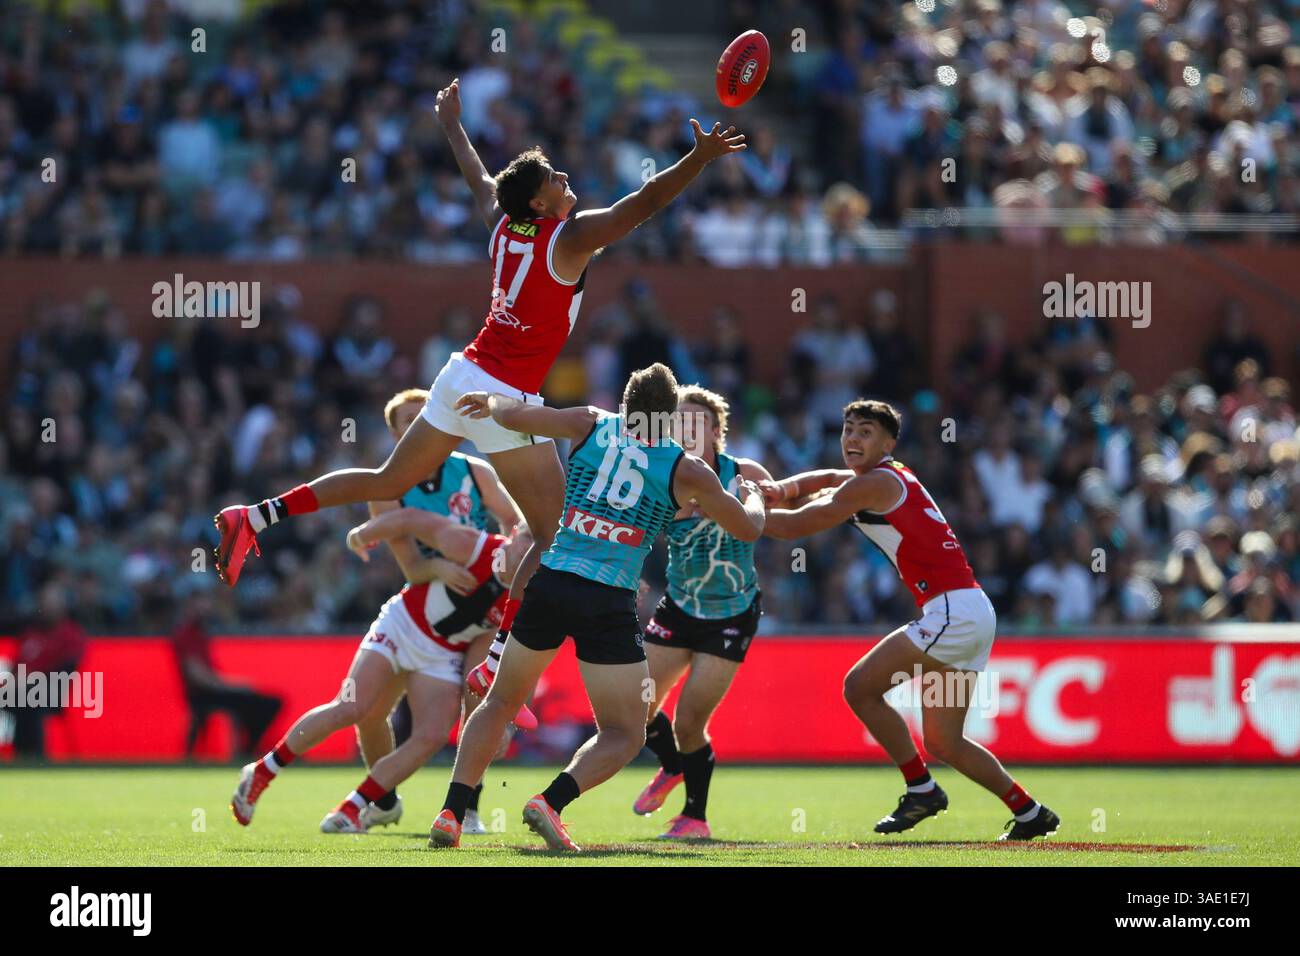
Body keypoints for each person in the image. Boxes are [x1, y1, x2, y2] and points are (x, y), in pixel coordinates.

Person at [214, 78, 745, 717]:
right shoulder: (566, 239)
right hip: (505, 397)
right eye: (553, 176)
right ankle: (494, 665)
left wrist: (452, 126)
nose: (564, 176)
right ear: (541, 201)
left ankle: (258, 515)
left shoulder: (505, 226)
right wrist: (701, 159)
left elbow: (481, 180)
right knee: (554, 538)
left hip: (462, 373)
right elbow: (645, 202)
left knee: (389, 476)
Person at [427, 364, 767, 851]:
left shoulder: (591, 422)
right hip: (607, 600)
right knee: (626, 732)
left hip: (552, 582)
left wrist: (489, 401)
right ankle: (551, 802)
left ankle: (451, 812)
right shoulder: (686, 468)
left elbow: (521, 415)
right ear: (669, 416)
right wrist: (752, 496)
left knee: (500, 702)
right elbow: (748, 529)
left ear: (625, 403)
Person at [761, 399, 1060, 841]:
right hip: (971, 611)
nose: (852, 439)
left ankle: (921, 789)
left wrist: (741, 513)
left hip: (952, 613)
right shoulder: (884, 476)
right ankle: (1029, 812)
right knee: (944, 742)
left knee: (859, 687)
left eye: (865, 431)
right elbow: (824, 479)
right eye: (847, 430)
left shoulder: (875, 482)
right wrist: (780, 490)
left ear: (888, 443)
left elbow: (798, 525)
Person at [230, 513, 533, 831]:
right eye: (528, 539)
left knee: (431, 736)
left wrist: (504, 723)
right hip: (402, 624)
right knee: (352, 707)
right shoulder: (473, 546)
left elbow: (514, 660)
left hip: (443, 651)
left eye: (538, 549)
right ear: (512, 533)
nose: (530, 553)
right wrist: (362, 535)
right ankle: (262, 771)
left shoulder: (529, 595)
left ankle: (352, 808)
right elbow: (409, 520)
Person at [356, 388, 525, 834]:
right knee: (370, 711)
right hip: (428, 605)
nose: (417, 426)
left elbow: (515, 521)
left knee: (478, 699)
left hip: (485, 598)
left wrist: (506, 563)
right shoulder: (386, 485)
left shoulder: (474, 470)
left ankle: (466, 807)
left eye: (423, 416)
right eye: (406, 420)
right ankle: (384, 797)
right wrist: (441, 566)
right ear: (395, 434)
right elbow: (411, 564)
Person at [633, 385, 773, 839]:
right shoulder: (665, 479)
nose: (686, 428)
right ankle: (672, 767)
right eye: (678, 422)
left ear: (716, 431)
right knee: (636, 704)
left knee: (690, 720)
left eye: (695, 421)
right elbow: (637, 528)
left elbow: (773, 511)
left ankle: (695, 818)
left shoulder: (743, 472)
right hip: (679, 607)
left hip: (731, 613)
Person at [171, 591, 281, 760]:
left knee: (259, 702)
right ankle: (248, 748)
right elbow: (198, 677)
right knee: (266, 703)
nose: (206, 609)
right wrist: (233, 687)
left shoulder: (199, 634)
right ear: (189, 607)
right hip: (204, 694)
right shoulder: (186, 635)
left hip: (210, 691)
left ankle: (249, 747)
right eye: (201, 605)